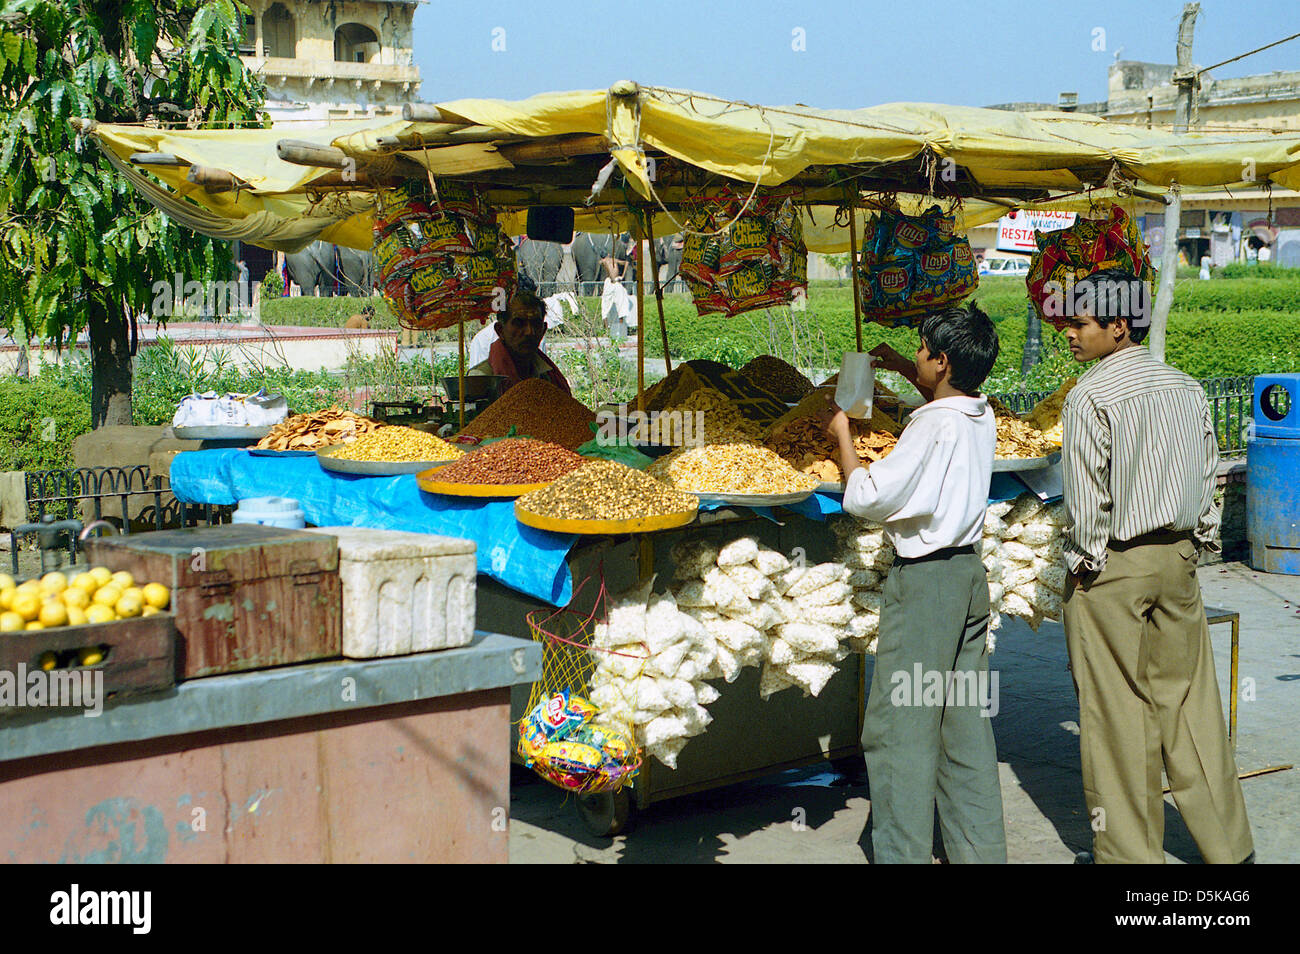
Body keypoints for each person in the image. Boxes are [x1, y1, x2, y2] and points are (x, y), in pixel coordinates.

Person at [1058, 267, 1253, 865]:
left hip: (1113, 565)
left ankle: (1129, 857)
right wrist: (1200, 542)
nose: (1069, 332)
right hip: (1178, 559)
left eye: (1081, 322)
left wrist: (1082, 563)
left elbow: (1087, 499)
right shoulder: (1187, 387)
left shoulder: (1088, 396)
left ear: (1118, 327)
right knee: (1190, 701)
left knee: (1118, 711)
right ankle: (1229, 850)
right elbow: (1208, 474)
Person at [822, 303, 1005, 864]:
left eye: (924, 350)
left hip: (926, 585)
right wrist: (906, 367)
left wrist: (843, 439)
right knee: (964, 726)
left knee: (900, 727)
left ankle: (900, 853)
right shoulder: (979, 412)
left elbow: (871, 497)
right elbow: (941, 404)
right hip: (969, 577)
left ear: (943, 361)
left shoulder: (930, 424)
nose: (918, 357)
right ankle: (979, 852)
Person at [467, 289, 571, 395]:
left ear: (543, 330)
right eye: (519, 324)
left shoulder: (550, 377)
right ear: (500, 330)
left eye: (535, 324)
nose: (529, 332)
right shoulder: (481, 378)